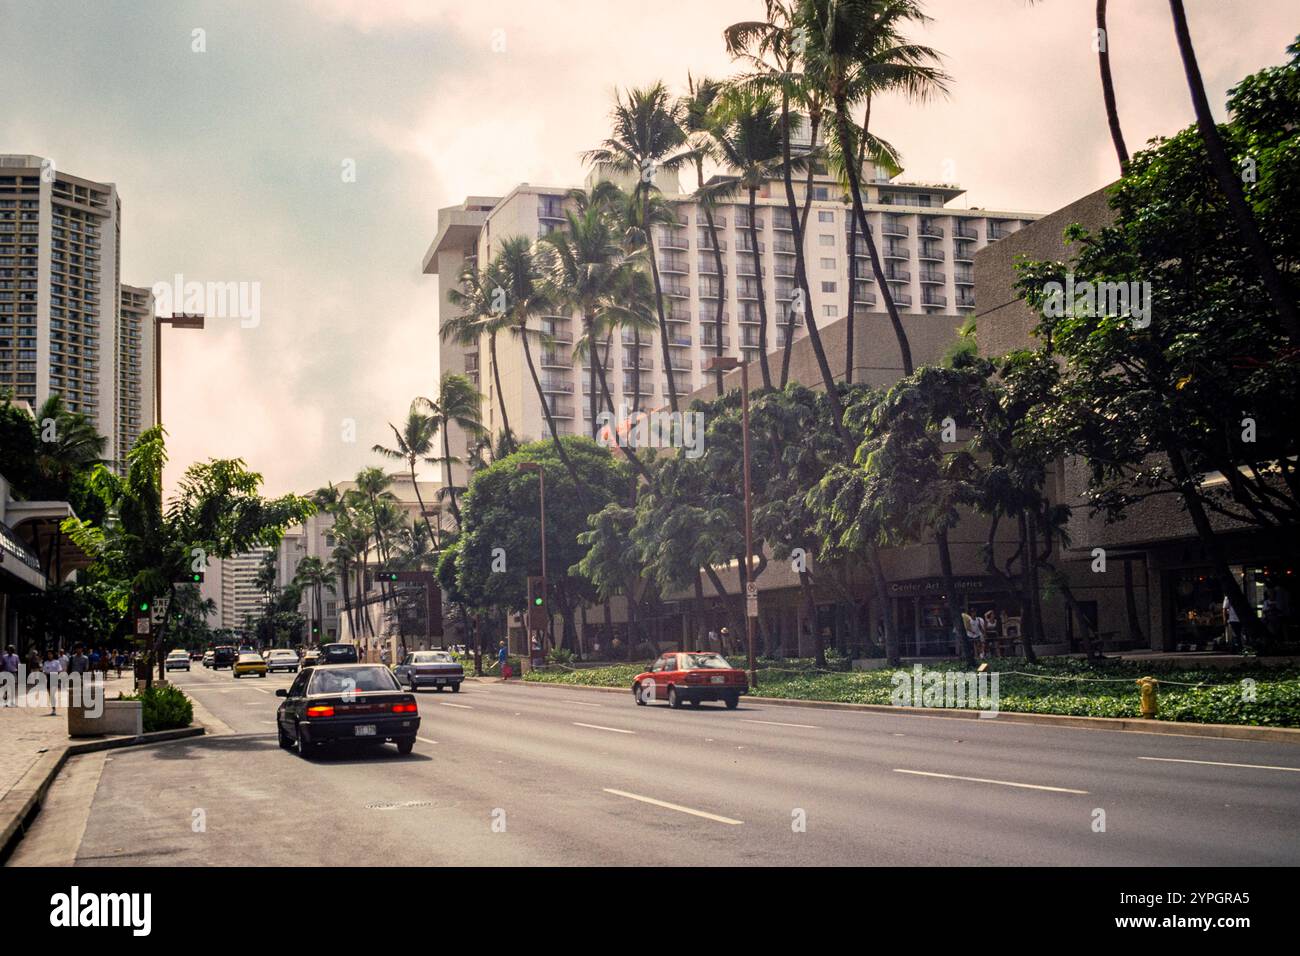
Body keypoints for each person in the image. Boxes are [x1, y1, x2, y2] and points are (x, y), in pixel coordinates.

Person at [42, 649, 63, 715]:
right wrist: (45, 673)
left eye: (51, 654)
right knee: (50, 695)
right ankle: (53, 708)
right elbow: (44, 671)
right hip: (48, 678)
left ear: (53, 655)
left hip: (54, 678)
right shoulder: (46, 662)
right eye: (48, 654)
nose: (49, 655)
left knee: (52, 694)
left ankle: (54, 709)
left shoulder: (56, 662)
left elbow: (59, 670)